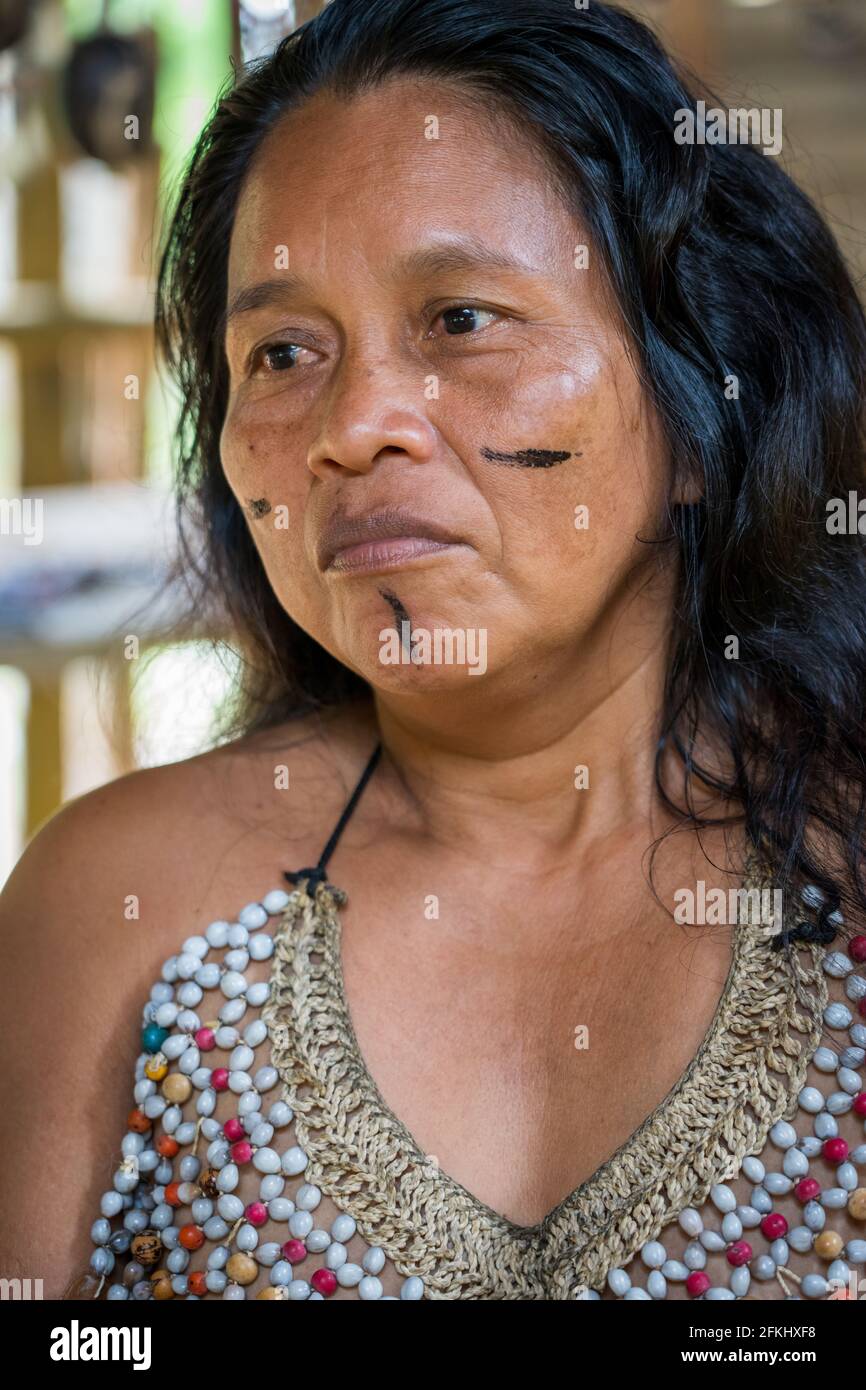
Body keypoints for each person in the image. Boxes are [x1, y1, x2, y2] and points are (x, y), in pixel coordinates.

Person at [1, 0, 865, 1302]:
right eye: (282, 352)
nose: (353, 426)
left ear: (700, 406)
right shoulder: (114, 905)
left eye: (461, 319)